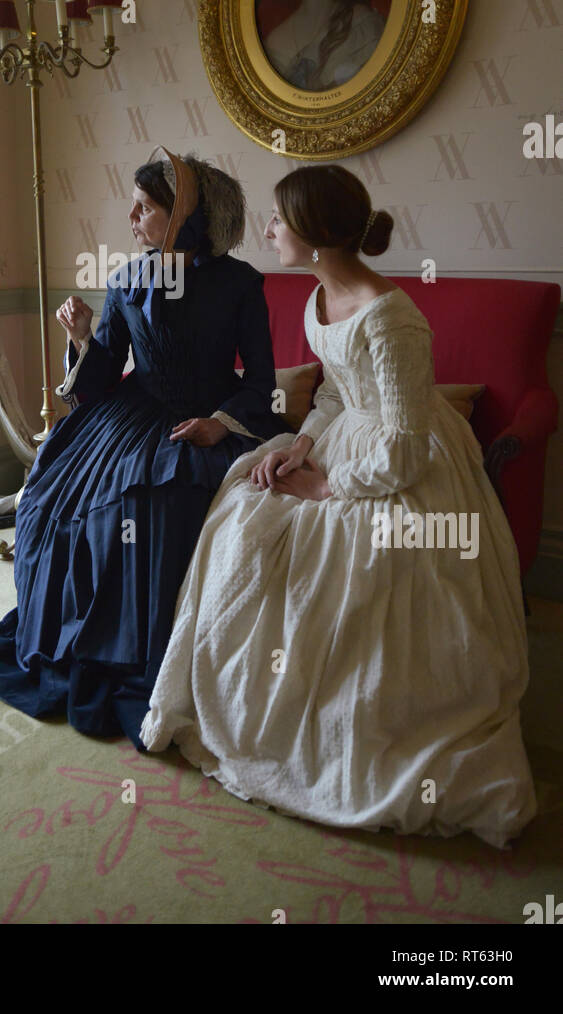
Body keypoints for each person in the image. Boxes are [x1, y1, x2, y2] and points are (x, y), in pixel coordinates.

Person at [141, 164, 537, 849]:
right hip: (348, 438)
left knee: (358, 562)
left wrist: (328, 488)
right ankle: (244, 713)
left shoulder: (392, 321)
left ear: (315, 233)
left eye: (277, 219)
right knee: (245, 508)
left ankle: (347, 734)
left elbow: (407, 449)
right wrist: (298, 448)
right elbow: (330, 398)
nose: (267, 230)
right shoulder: (315, 296)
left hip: (403, 462)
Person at [0, 147, 292, 748]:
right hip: (132, 414)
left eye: (146, 207)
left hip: (207, 420)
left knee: (158, 507)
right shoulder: (126, 278)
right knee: (51, 496)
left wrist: (221, 423)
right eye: (133, 206)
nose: (132, 217)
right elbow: (100, 380)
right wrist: (80, 339)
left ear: (183, 215)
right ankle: (86, 644)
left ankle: (153, 658)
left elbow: (262, 381)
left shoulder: (238, 283)